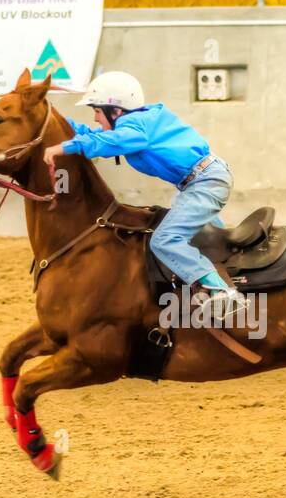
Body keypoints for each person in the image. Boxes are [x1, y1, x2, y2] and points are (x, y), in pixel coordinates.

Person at [43, 71, 247, 318]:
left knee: (165, 240)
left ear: (115, 111)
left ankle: (220, 292)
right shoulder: (140, 121)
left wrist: (63, 146)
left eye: (97, 111)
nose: (95, 118)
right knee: (204, 240)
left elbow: (110, 142)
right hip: (201, 182)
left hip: (204, 183)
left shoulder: (134, 128)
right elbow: (95, 135)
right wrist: (51, 118)